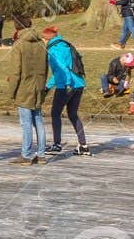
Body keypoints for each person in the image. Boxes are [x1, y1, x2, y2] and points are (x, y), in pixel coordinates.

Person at [6, 20, 49, 164]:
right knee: (38, 120)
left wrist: (12, 92)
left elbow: (15, 72)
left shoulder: (19, 45)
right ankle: (41, 154)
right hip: (38, 86)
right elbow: (45, 67)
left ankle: (26, 155)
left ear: (17, 29)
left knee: (26, 123)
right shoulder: (41, 43)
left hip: (24, 89)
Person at [44, 25, 90, 155]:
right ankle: (83, 145)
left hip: (66, 85)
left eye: (43, 39)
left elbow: (62, 70)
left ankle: (57, 144)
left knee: (55, 113)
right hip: (79, 84)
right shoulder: (65, 45)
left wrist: (49, 86)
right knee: (73, 114)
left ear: (47, 39)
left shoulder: (53, 50)